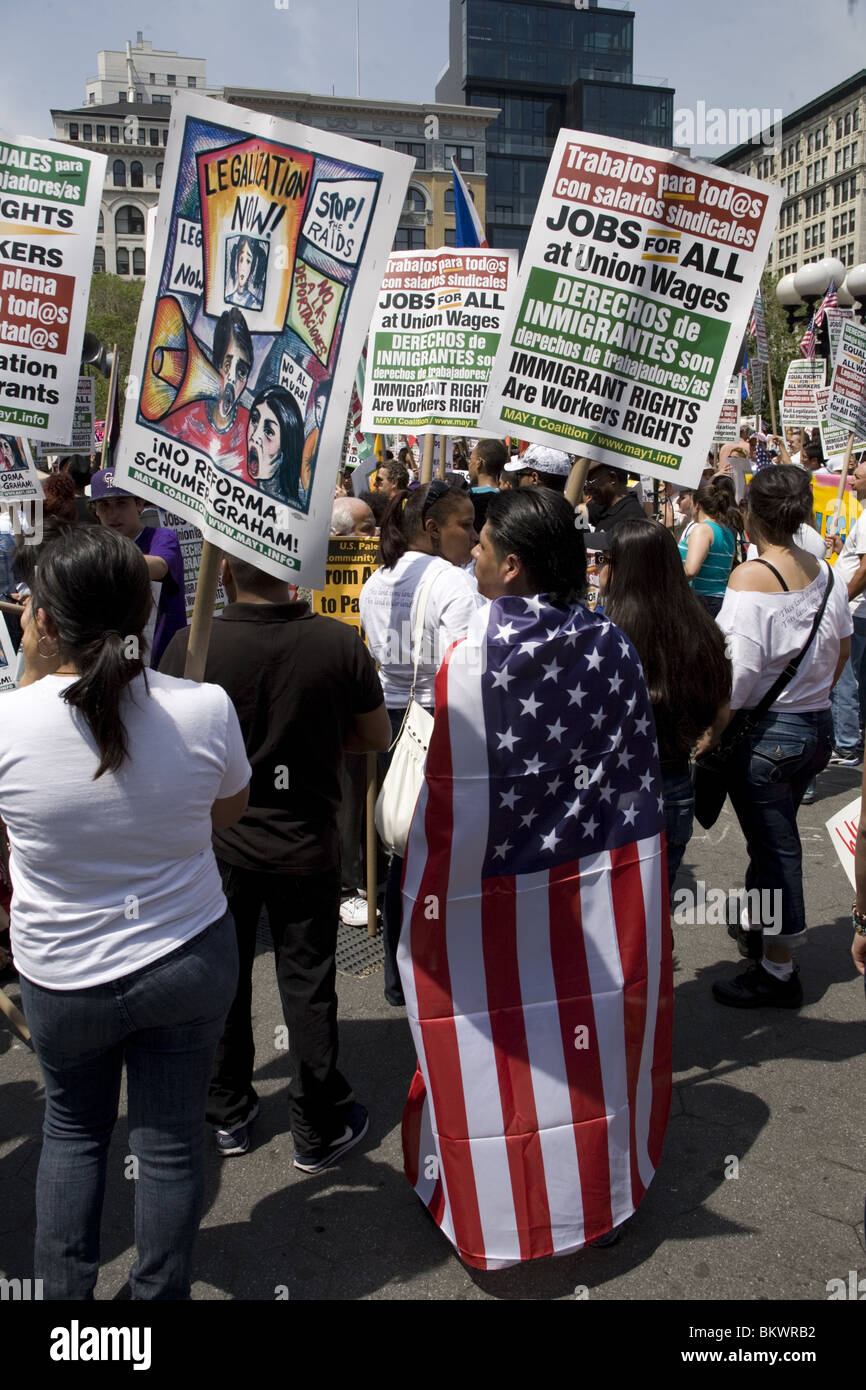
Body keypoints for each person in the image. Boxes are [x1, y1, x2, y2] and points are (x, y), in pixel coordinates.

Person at [398, 488, 672, 1267]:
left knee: (505, 1054)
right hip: (597, 889)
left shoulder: (467, 664)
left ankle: (502, 1202)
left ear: (513, 567)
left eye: (482, 546)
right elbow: (637, 781)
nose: (472, 555)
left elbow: (447, 804)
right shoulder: (614, 646)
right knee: (592, 1056)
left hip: (492, 901)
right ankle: (599, 1195)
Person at [0, 526, 250, 1299]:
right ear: (145, 615)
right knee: (170, 1144)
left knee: (71, 1137)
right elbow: (227, 812)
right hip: (187, 957)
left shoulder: (7, 724)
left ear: (41, 620)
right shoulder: (204, 708)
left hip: (62, 977)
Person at [160, 553, 391, 1168]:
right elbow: (375, 737)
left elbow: (165, 745)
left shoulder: (193, 645)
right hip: (305, 845)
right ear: (293, 569)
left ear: (226, 573)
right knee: (309, 983)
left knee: (221, 978)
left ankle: (226, 1109)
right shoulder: (337, 644)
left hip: (219, 846)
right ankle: (315, 1126)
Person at [711, 466, 853, 1008]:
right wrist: (813, 697)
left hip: (770, 737)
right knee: (774, 839)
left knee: (775, 851)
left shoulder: (751, 577)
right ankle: (758, 926)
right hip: (814, 730)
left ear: (752, 513)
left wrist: (713, 731)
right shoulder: (825, 570)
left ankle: (778, 969)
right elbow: (840, 649)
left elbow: (738, 678)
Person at [359, 480, 482, 1005]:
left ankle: (398, 973)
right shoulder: (455, 585)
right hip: (435, 720)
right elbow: (465, 667)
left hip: (389, 722)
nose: (475, 538)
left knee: (400, 848)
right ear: (432, 528)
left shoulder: (374, 582)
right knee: (437, 850)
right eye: (465, 524)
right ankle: (432, 970)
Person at [600, 519, 731, 891]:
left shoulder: (602, 637)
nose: (599, 568)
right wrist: (709, 736)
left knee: (610, 917)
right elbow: (722, 704)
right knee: (653, 916)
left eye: (605, 558)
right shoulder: (704, 629)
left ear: (624, 569)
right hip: (673, 785)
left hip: (609, 789)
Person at [90, 467, 186, 667]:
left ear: (140, 504)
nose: (113, 513)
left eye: (121, 503)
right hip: (116, 660)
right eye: (104, 505)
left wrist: (98, 558)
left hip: (164, 661)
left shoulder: (161, 537)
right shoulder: (93, 545)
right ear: (95, 510)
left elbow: (159, 566)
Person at [168, 308, 252, 479]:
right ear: (216, 364)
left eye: (241, 371)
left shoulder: (252, 428)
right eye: (227, 365)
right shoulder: (184, 417)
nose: (232, 379)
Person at [826, 457, 866, 767]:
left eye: (857, 476)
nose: (850, 481)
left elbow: (865, 568)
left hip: (853, 609)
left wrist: (842, 599)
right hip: (856, 608)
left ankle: (846, 743)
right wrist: (841, 547)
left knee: (845, 677)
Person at [677, 475, 740, 617]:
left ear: (697, 505)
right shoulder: (726, 531)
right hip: (717, 600)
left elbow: (690, 570)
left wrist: (667, 576)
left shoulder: (703, 529)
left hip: (701, 601)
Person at [246, 385, 304, 507]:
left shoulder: (291, 511)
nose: (255, 436)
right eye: (254, 420)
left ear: (285, 449)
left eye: (268, 431)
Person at [584, 462, 646, 534]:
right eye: (586, 483)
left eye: (591, 482)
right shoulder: (602, 507)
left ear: (612, 478)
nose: (588, 489)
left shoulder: (633, 519)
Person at [468, 437, 507, 530]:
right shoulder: (508, 501)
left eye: (470, 460)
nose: (469, 465)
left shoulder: (468, 500)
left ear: (479, 463)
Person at [501, 444, 571, 493]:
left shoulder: (522, 513)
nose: (518, 480)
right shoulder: (573, 511)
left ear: (534, 478)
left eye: (519, 474)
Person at [226, 235, 266, 311]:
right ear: (236, 261)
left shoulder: (256, 305)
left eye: (248, 261)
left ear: (253, 266)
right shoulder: (228, 299)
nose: (243, 268)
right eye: (241, 259)